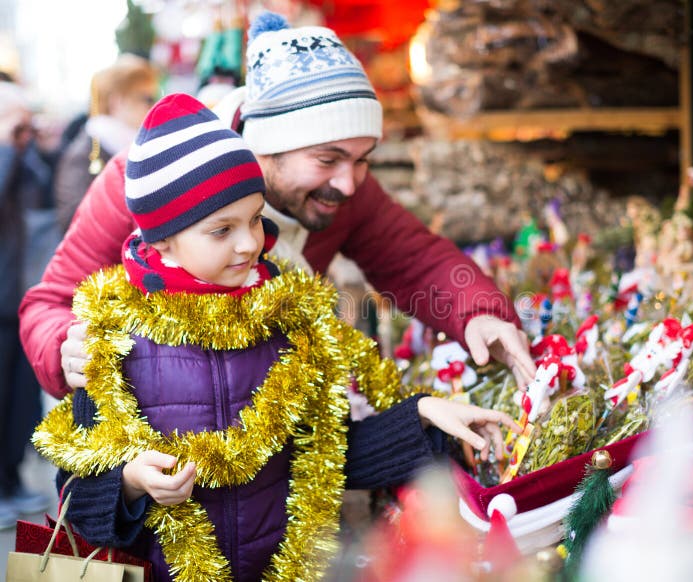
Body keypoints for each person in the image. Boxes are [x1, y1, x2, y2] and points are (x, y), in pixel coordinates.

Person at [32, 93, 521, 581]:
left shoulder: (288, 325)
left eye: (254, 221)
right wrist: (132, 486)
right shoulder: (113, 342)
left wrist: (420, 417)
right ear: (162, 239)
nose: (249, 243)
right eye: (221, 230)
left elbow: (327, 456)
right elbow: (77, 496)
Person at [19, 11, 537, 403]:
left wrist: (479, 314)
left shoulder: (342, 189)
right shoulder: (148, 178)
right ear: (262, 146)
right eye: (328, 158)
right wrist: (67, 348)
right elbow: (48, 304)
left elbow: (416, 260)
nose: (350, 183)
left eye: (363, 160)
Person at [0, 81, 50, 529]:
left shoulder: (17, 158)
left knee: (18, 405)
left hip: (12, 301)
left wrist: (23, 140)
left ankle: (11, 481)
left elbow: (42, 185)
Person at [53, 53, 159, 233]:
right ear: (118, 101)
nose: (152, 106)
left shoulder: (130, 146)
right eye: (146, 98)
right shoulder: (85, 153)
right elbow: (73, 222)